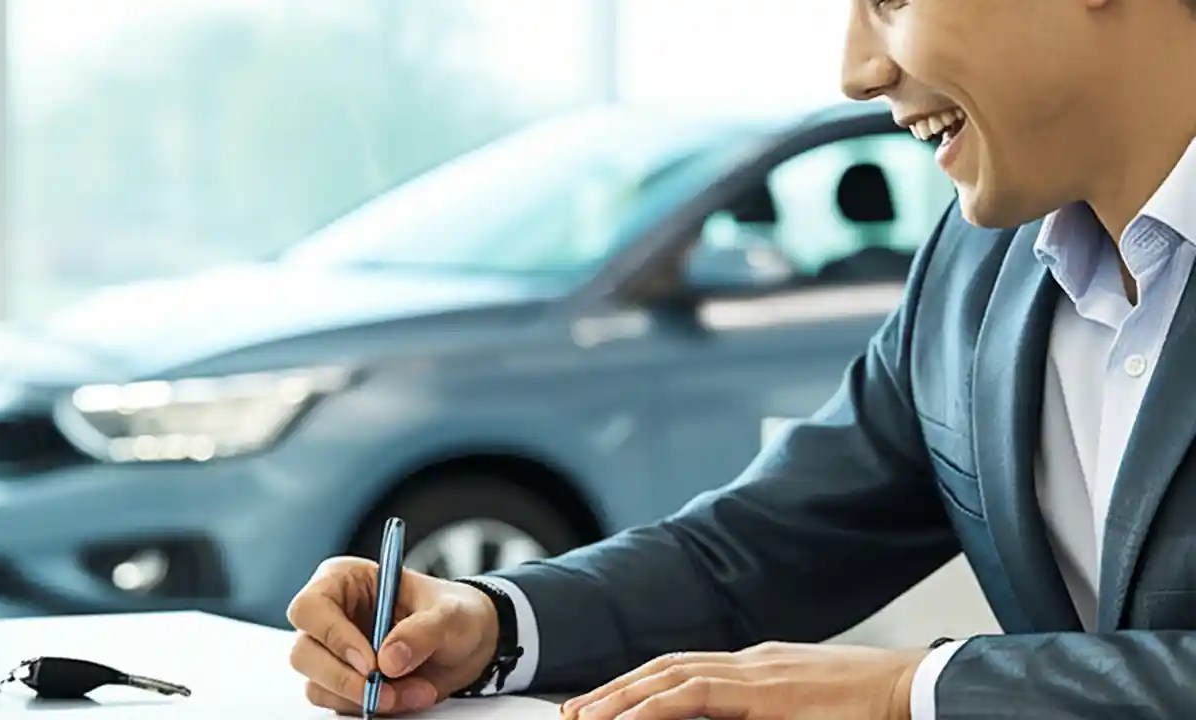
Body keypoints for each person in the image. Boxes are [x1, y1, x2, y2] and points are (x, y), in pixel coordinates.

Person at [286, 0, 1196, 717]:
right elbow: (755, 549)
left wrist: (907, 693)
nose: (857, 71)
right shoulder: (972, 272)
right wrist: (489, 624)